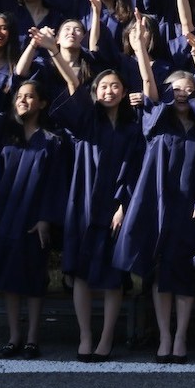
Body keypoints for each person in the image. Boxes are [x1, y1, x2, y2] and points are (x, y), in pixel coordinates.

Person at [116, 27, 195, 364]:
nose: (183, 94)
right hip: (158, 205)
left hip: (189, 210)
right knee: (159, 272)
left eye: (189, 89)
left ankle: (182, 337)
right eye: (177, 88)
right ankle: (165, 336)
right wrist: (141, 49)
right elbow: (147, 85)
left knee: (183, 272)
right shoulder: (156, 122)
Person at [44, 52, 145, 361]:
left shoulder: (134, 128)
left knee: (114, 276)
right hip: (85, 205)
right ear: (96, 92)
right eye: (103, 87)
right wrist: (52, 50)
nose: (109, 91)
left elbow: (138, 170)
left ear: (124, 91)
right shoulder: (87, 122)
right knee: (81, 274)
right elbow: (74, 84)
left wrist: (124, 205)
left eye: (115, 86)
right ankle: (85, 336)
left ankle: (106, 338)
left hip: (115, 209)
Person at [0, 78, 65, 359]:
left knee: (32, 278)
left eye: (30, 96)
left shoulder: (53, 142)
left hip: (32, 218)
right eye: (20, 96)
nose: (23, 100)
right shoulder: (3, 132)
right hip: (1, 215)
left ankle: (32, 338)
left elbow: (56, 184)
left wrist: (45, 219)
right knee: (8, 278)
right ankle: (13, 336)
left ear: (42, 103)